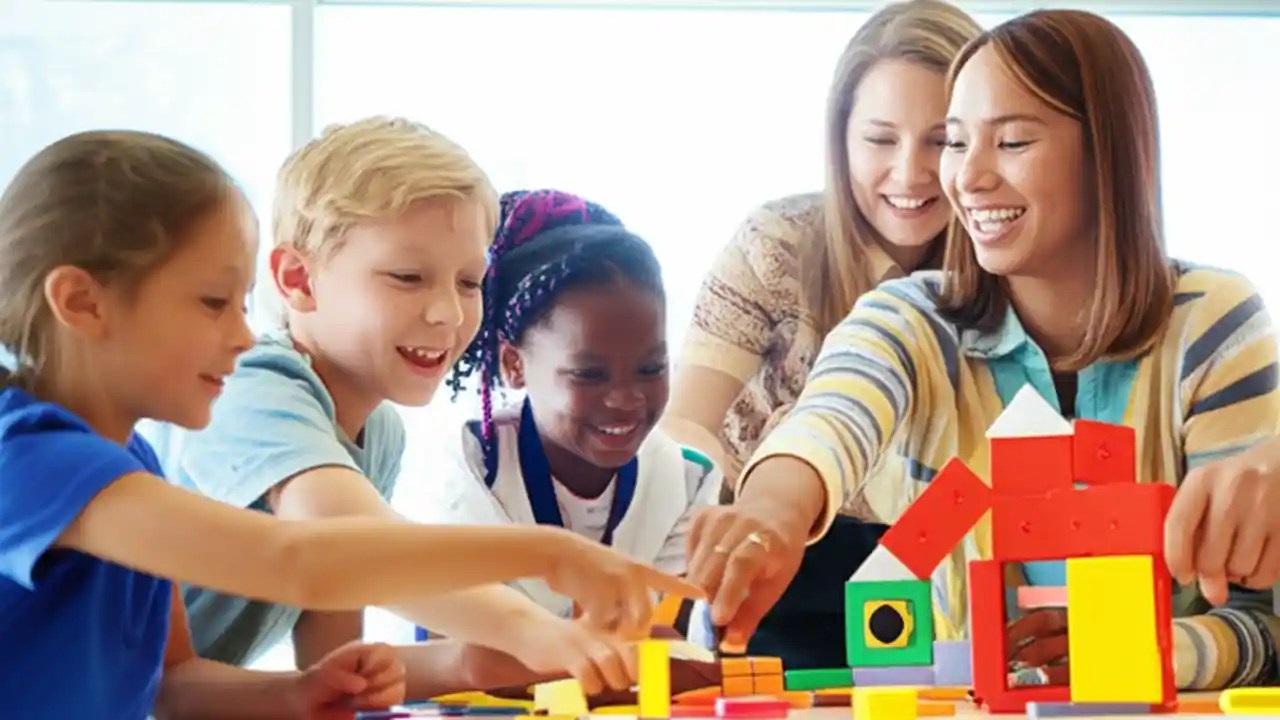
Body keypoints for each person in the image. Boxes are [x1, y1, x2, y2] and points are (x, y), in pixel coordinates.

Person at [0, 129, 695, 718]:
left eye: (468, 282)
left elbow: (174, 683)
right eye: (214, 303)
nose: (242, 335)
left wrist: (322, 687)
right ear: (83, 303)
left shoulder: (139, 461)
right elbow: (304, 561)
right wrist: (549, 559)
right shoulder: (35, 459)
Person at [686, 8, 1280, 690]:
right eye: (958, 142)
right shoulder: (909, 318)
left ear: (1109, 154)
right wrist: (772, 513)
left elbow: (1261, 619)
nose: (967, 177)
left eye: (1013, 142)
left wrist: (1141, 649)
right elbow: (830, 421)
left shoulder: (1211, 321)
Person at [663, 0, 982, 666]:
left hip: (945, 569)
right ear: (840, 140)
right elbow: (689, 422)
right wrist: (671, 526)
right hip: (777, 560)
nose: (910, 173)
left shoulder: (1007, 263)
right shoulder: (776, 242)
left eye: (940, 140)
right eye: (881, 139)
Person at [427, 189, 719, 644]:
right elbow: (462, 651)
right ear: (514, 365)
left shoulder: (686, 481)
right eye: (589, 374)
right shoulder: (471, 473)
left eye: (651, 369)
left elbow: (665, 650)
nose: (625, 399)